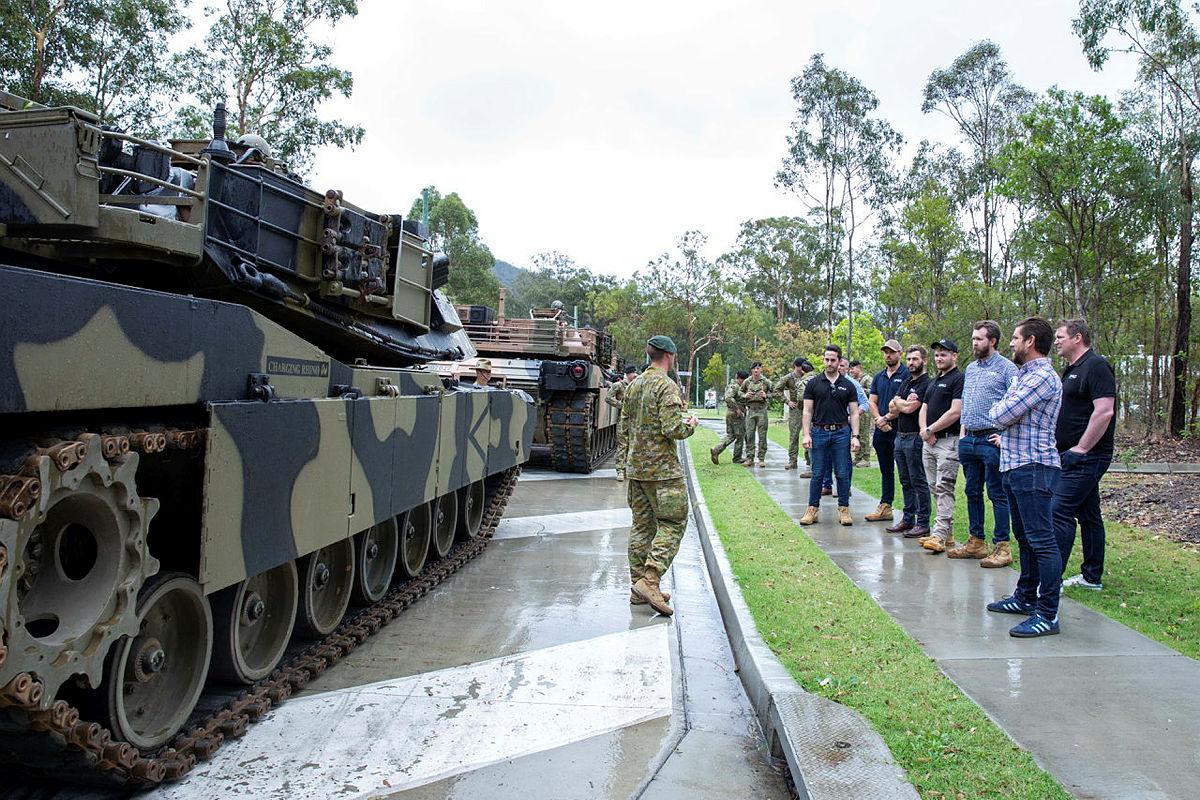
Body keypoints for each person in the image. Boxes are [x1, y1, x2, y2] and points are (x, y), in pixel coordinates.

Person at [986, 317, 1064, 638]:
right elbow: (1006, 413)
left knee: (1042, 540)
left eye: (1016, 338)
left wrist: (999, 411)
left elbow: (1000, 414)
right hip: (1015, 464)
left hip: (1034, 466)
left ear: (1030, 341)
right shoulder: (1022, 374)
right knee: (1024, 537)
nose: (1011, 344)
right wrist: (1002, 411)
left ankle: (1047, 613)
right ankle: (1025, 597)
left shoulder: (1043, 376)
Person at [619, 335, 699, 616]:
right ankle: (650, 580)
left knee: (641, 527)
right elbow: (672, 429)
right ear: (670, 356)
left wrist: (624, 464)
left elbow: (623, 428)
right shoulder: (667, 386)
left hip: (636, 469)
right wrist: (690, 424)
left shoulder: (635, 384)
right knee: (673, 523)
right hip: (663, 472)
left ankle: (636, 587)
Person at [1053, 318, 1116, 591]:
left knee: (1058, 511)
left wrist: (1081, 448)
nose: (1056, 341)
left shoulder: (1097, 366)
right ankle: (1092, 576)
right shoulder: (1071, 368)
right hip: (1070, 454)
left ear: (1077, 338)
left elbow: (1104, 411)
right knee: (1089, 514)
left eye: (1060, 337)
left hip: (1088, 456)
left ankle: (1050, 580)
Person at [949, 321, 1018, 567]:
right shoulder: (971, 368)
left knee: (997, 493)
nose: (974, 343)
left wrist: (1005, 436)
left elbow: (1016, 404)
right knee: (971, 491)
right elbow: (966, 402)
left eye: (979, 339)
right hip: (970, 439)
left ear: (993, 341)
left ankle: (1002, 546)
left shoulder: (1007, 369)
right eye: (973, 338)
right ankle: (976, 542)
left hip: (992, 439)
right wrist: (964, 434)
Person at [798, 345, 861, 527]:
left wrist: (855, 436)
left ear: (839, 361)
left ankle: (844, 508)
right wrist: (806, 434)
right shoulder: (813, 383)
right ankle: (812, 508)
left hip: (841, 432)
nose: (829, 363)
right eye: (826, 359)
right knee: (817, 473)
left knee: (842, 473)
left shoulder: (848, 385)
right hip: (819, 432)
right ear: (823, 360)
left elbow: (855, 413)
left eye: (833, 360)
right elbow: (807, 411)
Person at [919, 340, 964, 554]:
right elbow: (924, 407)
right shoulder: (934, 381)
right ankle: (947, 533)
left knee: (944, 487)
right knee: (932, 487)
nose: (939, 358)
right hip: (929, 442)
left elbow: (956, 411)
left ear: (954, 356)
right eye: (937, 355)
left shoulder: (959, 379)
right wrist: (924, 431)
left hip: (948, 441)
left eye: (944, 354)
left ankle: (938, 535)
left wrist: (932, 430)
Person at [886, 346, 932, 538]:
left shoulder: (926, 383)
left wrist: (900, 402)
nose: (911, 363)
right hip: (900, 436)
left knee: (918, 480)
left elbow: (910, 409)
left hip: (915, 438)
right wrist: (900, 402)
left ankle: (922, 522)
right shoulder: (905, 381)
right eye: (909, 359)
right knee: (905, 480)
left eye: (915, 359)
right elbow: (892, 406)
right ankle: (907, 519)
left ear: (925, 361)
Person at [865, 340, 911, 522]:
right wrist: (878, 419)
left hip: (901, 429)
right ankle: (886, 506)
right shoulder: (878, 376)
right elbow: (872, 401)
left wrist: (887, 418)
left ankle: (911, 513)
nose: (888, 355)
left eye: (892, 352)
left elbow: (907, 404)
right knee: (886, 471)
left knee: (906, 474)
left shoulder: (907, 374)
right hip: (881, 429)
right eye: (885, 352)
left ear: (900, 353)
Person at [821, 357, 869, 495]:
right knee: (826, 455)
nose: (840, 367)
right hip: (827, 424)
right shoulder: (826, 381)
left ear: (847, 368)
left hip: (844, 426)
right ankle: (827, 485)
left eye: (843, 366)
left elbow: (865, 404)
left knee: (843, 457)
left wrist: (852, 416)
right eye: (839, 365)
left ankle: (844, 487)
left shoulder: (852, 384)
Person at [776, 358, 815, 470]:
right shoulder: (788, 378)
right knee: (793, 436)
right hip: (796, 409)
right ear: (795, 366)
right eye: (799, 366)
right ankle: (792, 461)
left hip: (809, 408)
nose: (801, 369)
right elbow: (777, 390)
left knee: (810, 434)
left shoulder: (809, 376)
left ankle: (809, 460)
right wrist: (787, 401)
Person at [738, 362, 774, 468]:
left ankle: (761, 458)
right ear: (751, 370)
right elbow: (739, 392)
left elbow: (776, 392)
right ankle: (750, 458)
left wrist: (766, 395)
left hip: (762, 410)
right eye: (754, 369)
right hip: (750, 410)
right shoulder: (747, 381)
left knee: (762, 435)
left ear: (761, 370)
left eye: (758, 368)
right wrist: (745, 395)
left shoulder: (766, 382)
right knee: (749, 434)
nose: (756, 370)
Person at [711, 370, 750, 464]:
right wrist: (737, 409)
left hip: (730, 413)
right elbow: (728, 398)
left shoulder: (731, 385)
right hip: (736, 415)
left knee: (731, 435)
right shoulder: (735, 386)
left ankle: (716, 450)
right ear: (741, 379)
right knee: (740, 436)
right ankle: (737, 458)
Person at [609, 364, 639, 482]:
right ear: (628, 374)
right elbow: (608, 398)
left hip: (635, 420)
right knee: (622, 445)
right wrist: (621, 405)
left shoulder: (636, 385)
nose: (635, 375)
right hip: (622, 419)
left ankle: (629, 469)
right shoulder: (619, 385)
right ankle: (620, 470)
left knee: (633, 444)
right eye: (634, 372)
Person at [848, 360, 874, 468]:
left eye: (853, 369)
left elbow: (872, 392)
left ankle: (866, 458)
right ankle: (858, 457)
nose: (851, 371)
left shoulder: (867, 379)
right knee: (856, 433)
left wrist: (860, 389)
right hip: (855, 409)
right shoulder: (853, 380)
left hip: (865, 410)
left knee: (864, 434)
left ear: (859, 368)